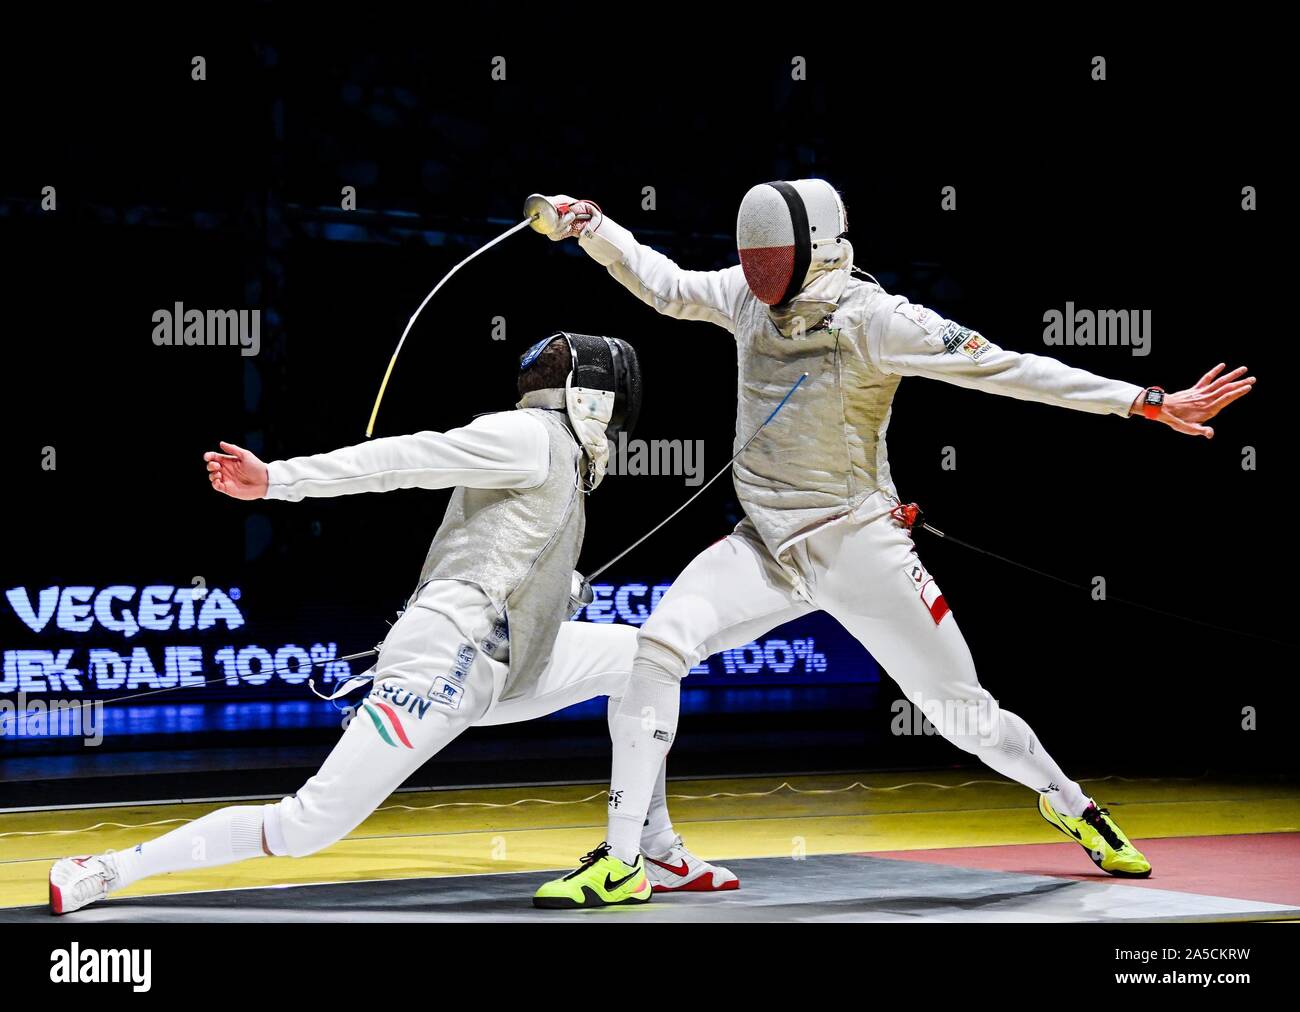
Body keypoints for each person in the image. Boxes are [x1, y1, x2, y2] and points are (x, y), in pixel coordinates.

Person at [529, 184, 1255, 907]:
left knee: (964, 715)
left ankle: (1069, 802)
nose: (757, 270)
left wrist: (1140, 400)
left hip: (858, 550)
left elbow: (1007, 368)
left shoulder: (876, 319)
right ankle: (634, 856)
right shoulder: (747, 299)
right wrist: (593, 225)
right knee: (657, 650)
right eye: (753, 254)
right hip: (764, 548)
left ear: (814, 246)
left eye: (772, 254)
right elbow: (664, 284)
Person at [50, 332, 736, 915]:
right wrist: (277, 479)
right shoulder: (527, 435)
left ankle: (647, 851)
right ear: (592, 399)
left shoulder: (556, 459)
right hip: (444, 658)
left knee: (647, 657)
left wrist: (557, 590)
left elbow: (514, 561)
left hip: (511, 661)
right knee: (306, 825)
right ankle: (109, 867)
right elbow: (401, 458)